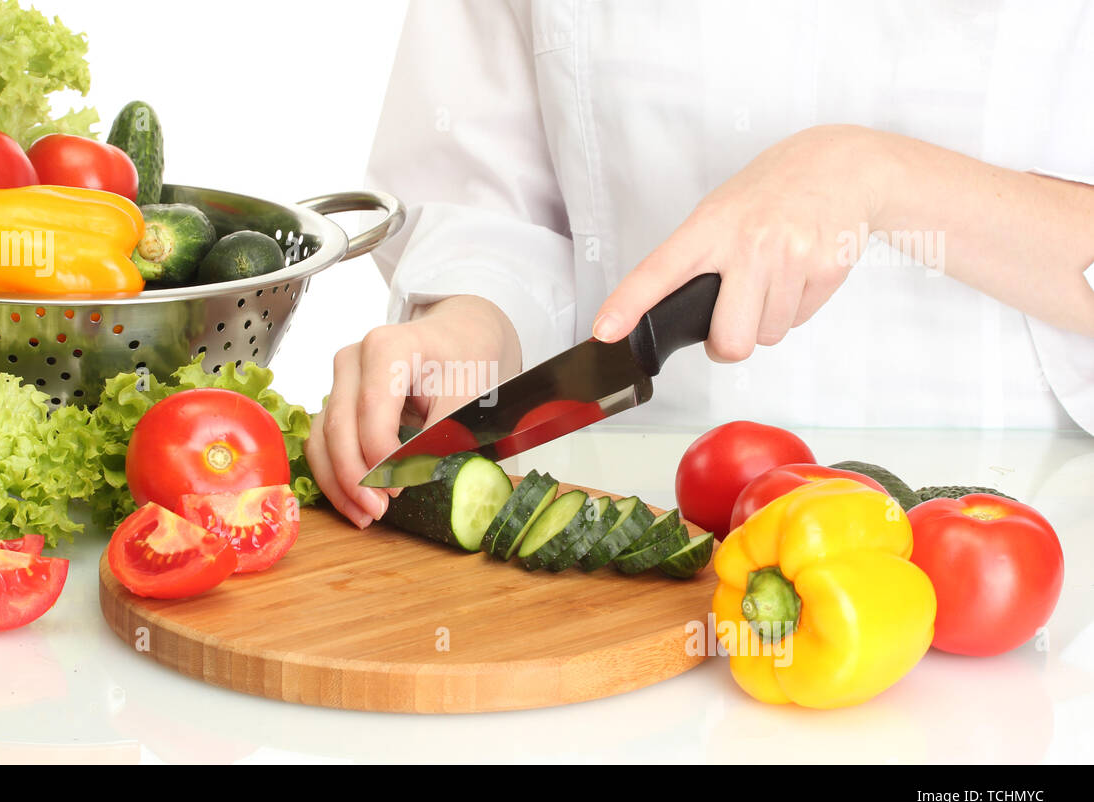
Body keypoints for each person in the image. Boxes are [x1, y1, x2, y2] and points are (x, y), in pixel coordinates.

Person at [305, 0, 1094, 527]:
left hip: (1029, 545)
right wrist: (473, 317)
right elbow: (494, 198)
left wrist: (873, 174)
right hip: (639, 536)